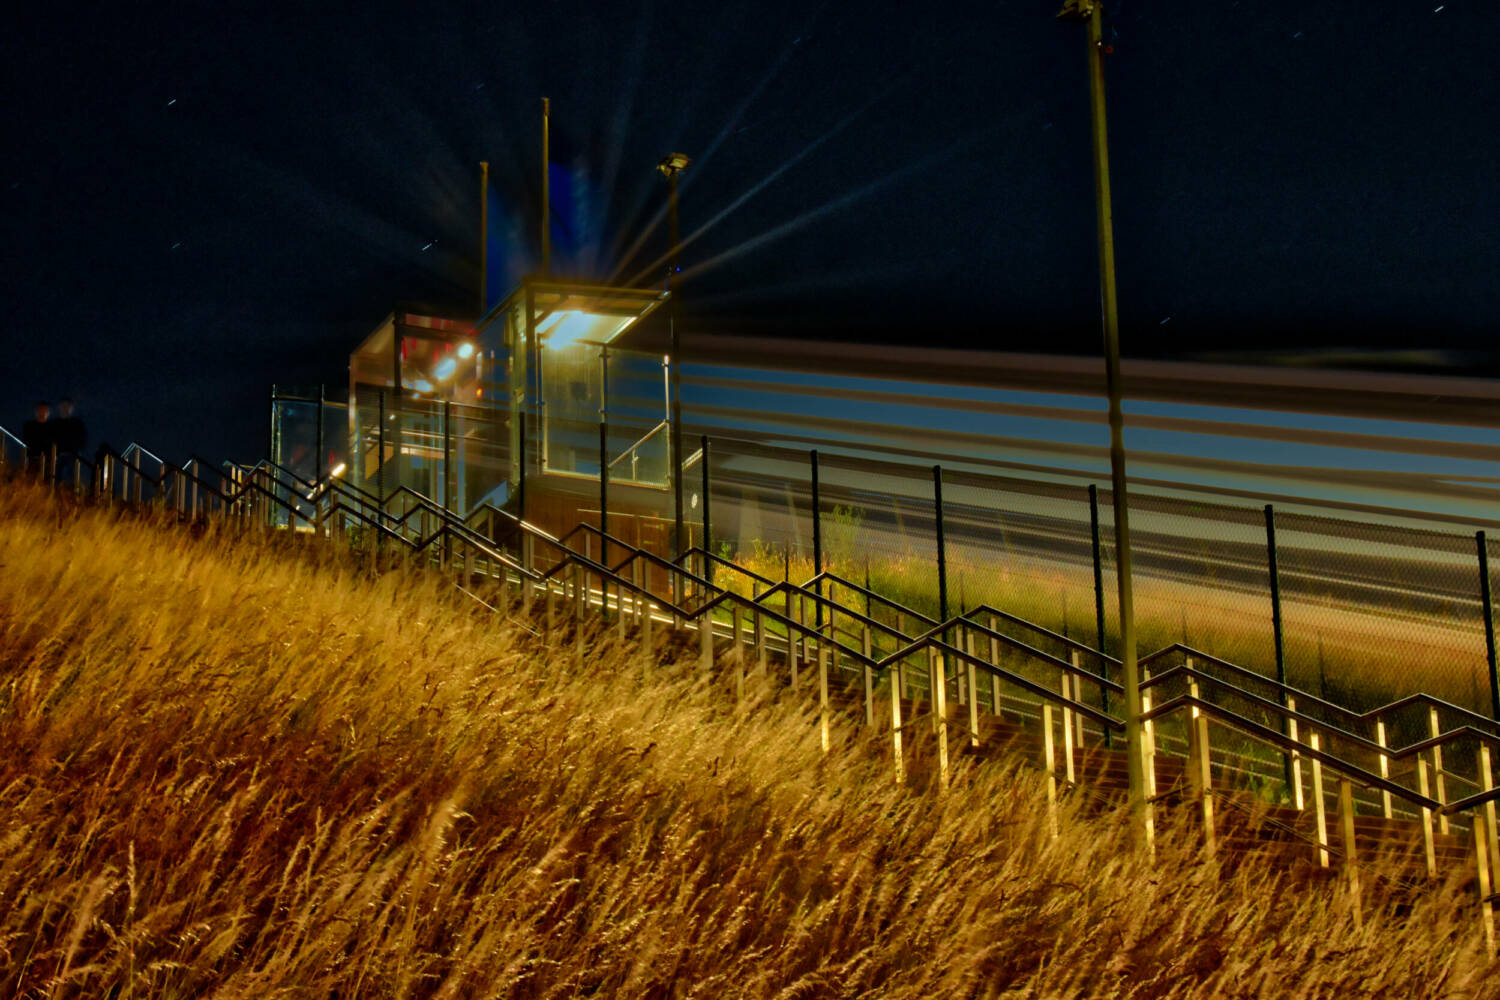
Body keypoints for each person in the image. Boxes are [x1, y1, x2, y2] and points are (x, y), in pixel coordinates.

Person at [53, 397, 86, 482]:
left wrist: (78, 450)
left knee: (73, 478)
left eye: (67, 406)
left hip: (73, 454)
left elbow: (82, 439)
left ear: (71, 408)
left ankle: (72, 492)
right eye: (63, 406)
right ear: (60, 407)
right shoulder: (55, 423)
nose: (65, 408)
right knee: (55, 477)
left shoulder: (77, 423)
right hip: (58, 454)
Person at [21, 401, 52, 472]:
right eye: (41, 410)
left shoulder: (52, 426)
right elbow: (26, 441)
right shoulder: (29, 426)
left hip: (47, 459)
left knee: (46, 479)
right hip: (33, 457)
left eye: (45, 410)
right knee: (31, 478)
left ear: (48, 412)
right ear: (37, 411)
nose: (43, 412)